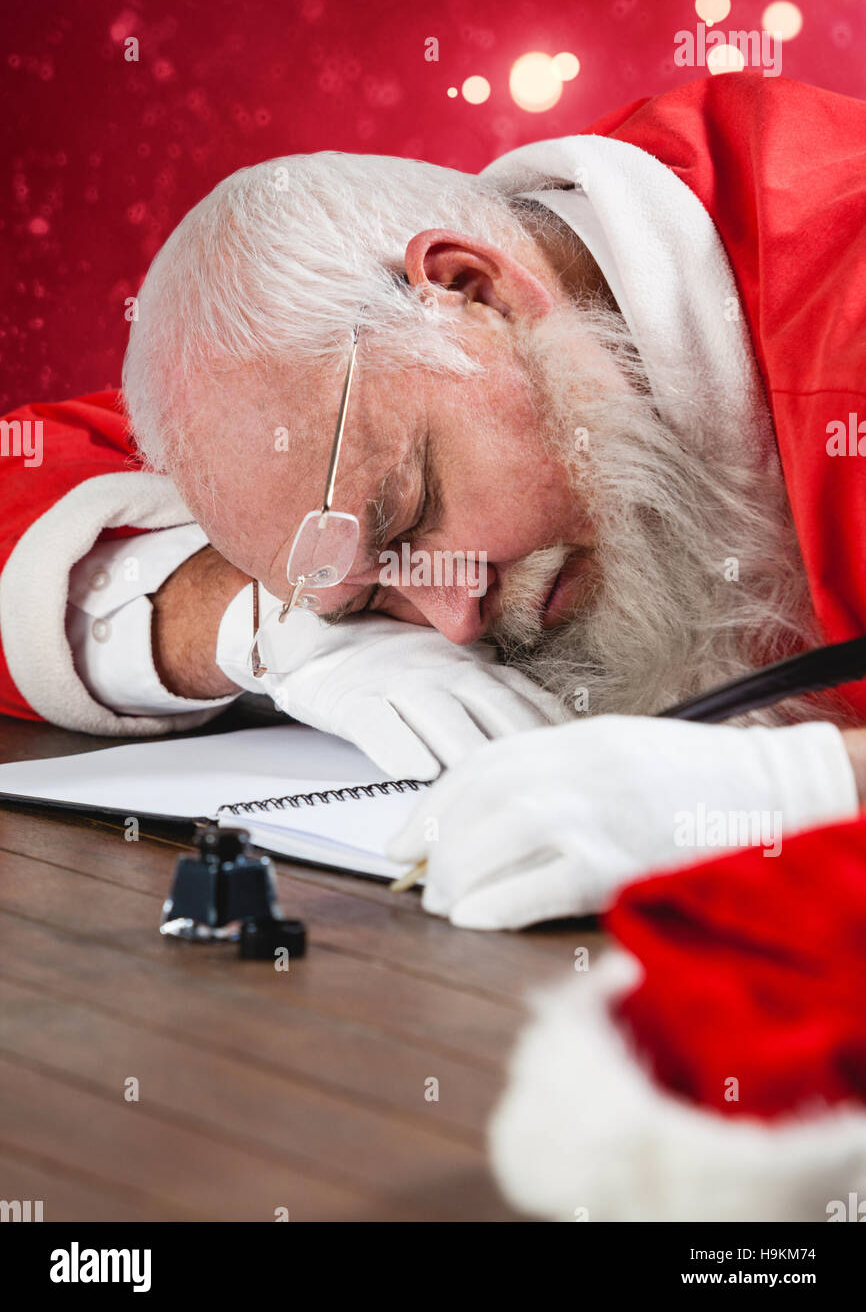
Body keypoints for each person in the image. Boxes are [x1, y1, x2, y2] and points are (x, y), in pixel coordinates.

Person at [2, 73, 865, 927]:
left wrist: (804, 800)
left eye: (411, 516)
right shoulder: (334, 395)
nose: (455, 619)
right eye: (382, 597)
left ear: (471, 291)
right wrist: (264, 625)